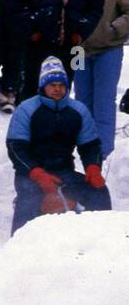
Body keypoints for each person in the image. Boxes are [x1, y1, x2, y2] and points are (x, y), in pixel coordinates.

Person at [6, 57, 109, 232]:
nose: (57, 89)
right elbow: (16, 148)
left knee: (98, 191)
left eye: (61, 85)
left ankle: (103, 236)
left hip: (64, 173)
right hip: (30, 175)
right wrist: (37, 173)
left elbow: (90, 145)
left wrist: (93, 167)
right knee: (29, 198)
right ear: (43, 86)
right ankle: (18, 244)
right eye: (52, 84)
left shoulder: (78, 110)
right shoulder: (26, 109)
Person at [73, 0, 129, 161]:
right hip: (78, 49)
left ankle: (102, 154)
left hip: (109, 50)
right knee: (81, 103)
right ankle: (83, 151)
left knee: (104, 104)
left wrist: (112, 29)